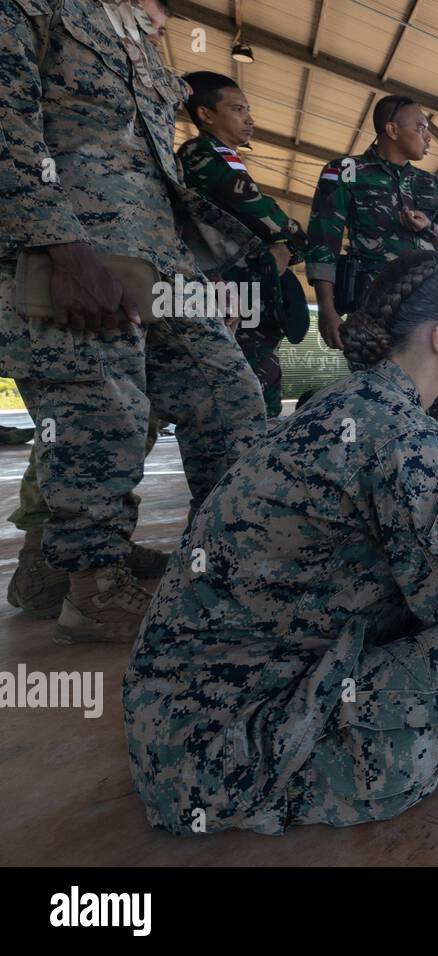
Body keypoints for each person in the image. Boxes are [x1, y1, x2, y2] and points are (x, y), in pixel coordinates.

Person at [122, 251, 438, 835]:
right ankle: (411, 734)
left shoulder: (355, 402)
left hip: (181, 710)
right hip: (227, 750)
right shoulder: (408, 439)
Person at [0, 0, 267, 642]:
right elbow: (7, 121)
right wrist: (59, 244)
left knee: (229, 394)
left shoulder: (140, 36)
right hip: (77, 251)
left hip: (161, 260)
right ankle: (92, 589)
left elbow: (151, 173)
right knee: (102, 417)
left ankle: (217, 558)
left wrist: (199, 280)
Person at [178, 71, 310, 418]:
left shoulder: (227, 157)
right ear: (206, 115)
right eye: (237, 109)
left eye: (247, 109)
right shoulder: (201, 153)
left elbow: (278, 229)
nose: (249, 119)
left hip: (252, 299)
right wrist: (290, 239)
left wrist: (285, 245)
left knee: (260, 397)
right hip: (232, 297)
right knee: (241, 405)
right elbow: (261, 211)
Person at [307, 95, 438, 353]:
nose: (428, 138)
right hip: (371, 309)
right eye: (420, 128)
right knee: (375, 387)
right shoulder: (345, 171)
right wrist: (327, 308)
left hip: (428, 309)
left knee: (433, 391)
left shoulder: (431, 183)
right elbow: (323, 242)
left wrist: (429, 227)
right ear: (392, 130)